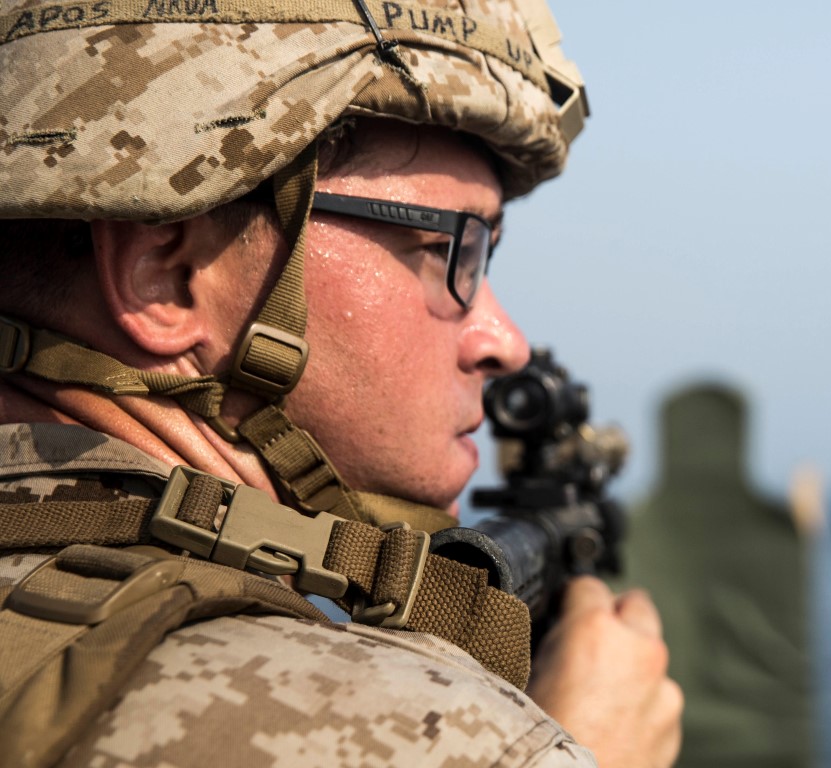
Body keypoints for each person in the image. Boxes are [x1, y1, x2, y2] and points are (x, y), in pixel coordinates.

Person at [0, 1, 682, 766]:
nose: (506, 344)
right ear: (168, 274)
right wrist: (579, 747)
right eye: (452, 250)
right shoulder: (410, 731)